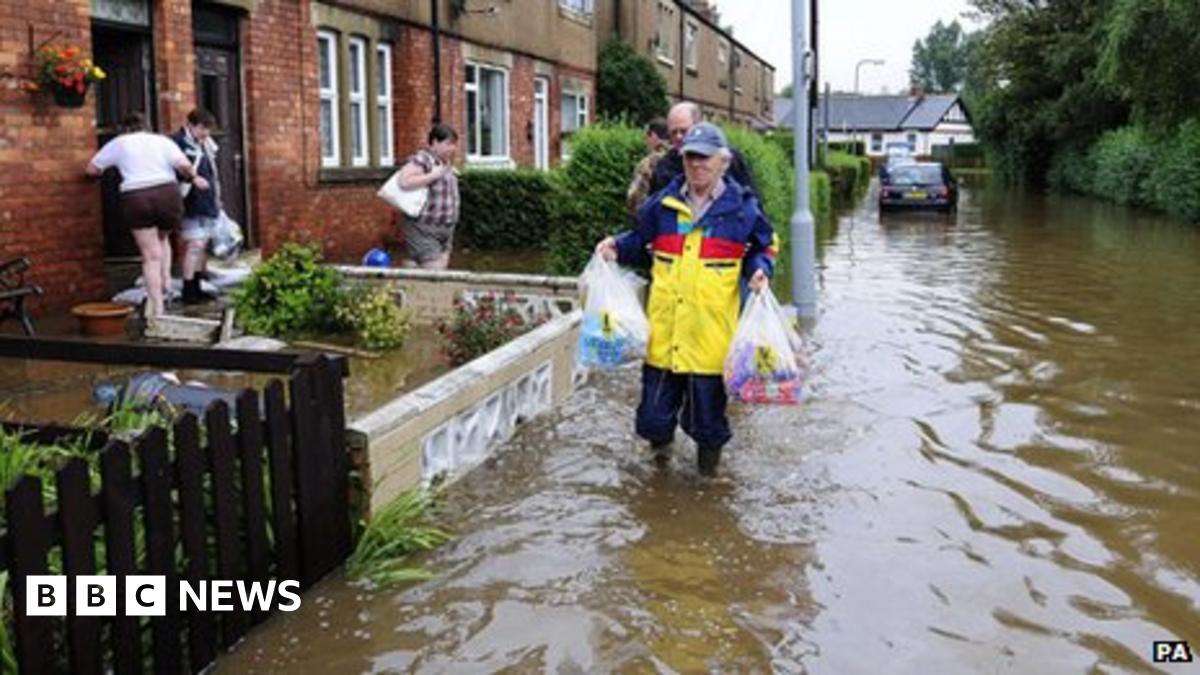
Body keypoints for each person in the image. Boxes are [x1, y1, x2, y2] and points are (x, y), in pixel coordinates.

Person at [596, 122, 776, 477]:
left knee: (707, 427)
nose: (696, 164)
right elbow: (640, 241)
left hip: (709, 343)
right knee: (652, 420)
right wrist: (617, 246)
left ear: (723, 161)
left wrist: (759, 269)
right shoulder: (661, 206)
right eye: (690, 157)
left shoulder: (743, 210)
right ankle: (659, 472)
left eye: (704, 157)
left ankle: (708, 482)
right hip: (664, 339)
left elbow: (765, 246)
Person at [86, 112, 209, 319]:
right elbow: (184, 167)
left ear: (125, 129)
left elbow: (92, 169)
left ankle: (158, 309)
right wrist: (194, 178)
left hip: (137, 197)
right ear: (147, 126)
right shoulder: (162, 141)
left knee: (150, 256)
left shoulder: (119, 143)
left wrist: (98, 175)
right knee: (163, 237)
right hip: (167, 194)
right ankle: (166, 281)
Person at [648, 102, 758, 200]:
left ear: (699, 126)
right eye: (674, 132)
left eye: (684, 131)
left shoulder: (728, 158)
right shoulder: (664, 167)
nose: (679, 137)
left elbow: (751, 199)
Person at [169, 108, 220, 304]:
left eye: (208, 129)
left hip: (206, 201)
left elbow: (213, 173)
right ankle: (188, 289)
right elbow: (176, 169)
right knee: (194, 245)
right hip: (188, 201)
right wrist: (193, 178)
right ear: (190, 125)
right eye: (201, 128)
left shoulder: (206, 144)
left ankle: (197, 286)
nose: (205, 133)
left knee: (201, 246)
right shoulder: (178, 142)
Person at [395, 124, 460, 269]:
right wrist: (433, 175)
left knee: (438, 272)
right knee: (434, 274)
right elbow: (404, 181)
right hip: (424, 228)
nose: (453, 148)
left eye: (454, 144)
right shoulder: (423, 159)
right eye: (448, 144)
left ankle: (411, 267)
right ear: (435, 142)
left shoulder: (444, 163)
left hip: (446, 229)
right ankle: (412, 266)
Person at [625, 117, 669, 214]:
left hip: (651, 215)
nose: (645, 140)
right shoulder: (679, 157)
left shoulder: (648, 163)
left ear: (654, 136)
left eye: (647, 135)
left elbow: (633, 198)